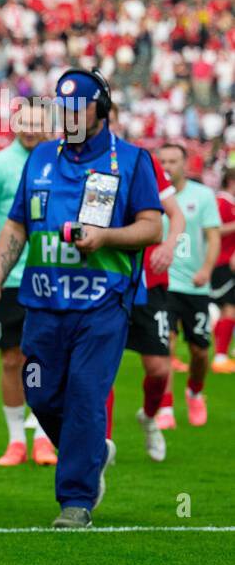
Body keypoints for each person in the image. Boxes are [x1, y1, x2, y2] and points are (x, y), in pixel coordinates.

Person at [0, 68, 162, 529]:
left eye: (80, 106)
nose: (71, 116)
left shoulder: (134, 161)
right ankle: (91, 452)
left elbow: (152, 226)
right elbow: (17, 224)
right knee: (39, 393)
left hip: (104, 303)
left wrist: (106, 237)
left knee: (84, 394)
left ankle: (75, 499)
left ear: (103, 109)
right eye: (64, 108)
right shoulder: (39, 158)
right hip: (42, 303)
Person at [0, 100, 55, 466]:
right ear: (15, 124)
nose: (31, 129)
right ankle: (17, 439)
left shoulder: (61, 162)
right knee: (11, 359)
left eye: (38, 122)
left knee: (49, 359)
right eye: (25, 122)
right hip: (11, 281)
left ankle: (45, 436)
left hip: (52, 277)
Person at [123, 145, 184, 461]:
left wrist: (169, 245)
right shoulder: (80, 163)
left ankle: (149, 417)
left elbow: (176, 216)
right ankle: (100, 445)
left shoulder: (141, 162)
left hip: (150, 282)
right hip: (105, 282)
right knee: (98, 370)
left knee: (159, 369)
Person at [155, 141, 221, 429]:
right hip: (164, 285)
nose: (168, 167)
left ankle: (195, 391)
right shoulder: (152, 195)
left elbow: (213, 236)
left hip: (195, 287)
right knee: (164, 347)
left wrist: (206, 269)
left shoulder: (203, 196)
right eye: (163, 162)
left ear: (185, 165)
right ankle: (166, 408)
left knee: (199, 351)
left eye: (173, 161)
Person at [211, 165, 235, 374]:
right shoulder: (222, 202)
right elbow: (214, 230)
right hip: (221, 263)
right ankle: (220, 356)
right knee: (229, 308)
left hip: (227, 262)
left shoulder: (229, 203)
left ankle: (222, 351)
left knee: (229, 309)